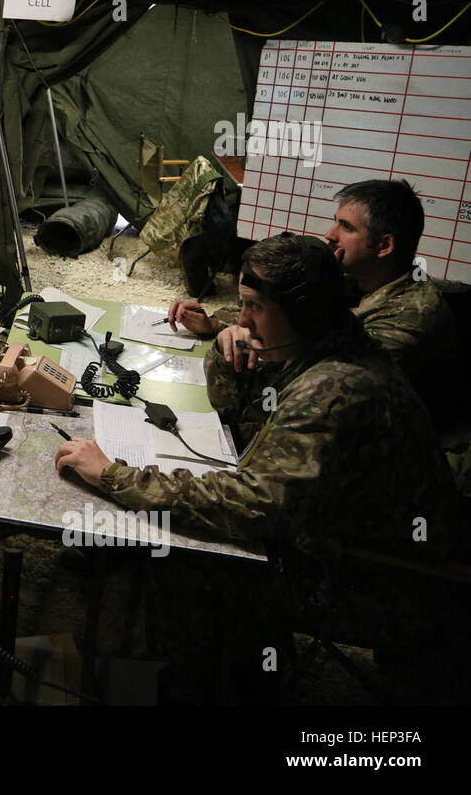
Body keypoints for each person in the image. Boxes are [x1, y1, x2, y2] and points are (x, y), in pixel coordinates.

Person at [57, 235, 460, 680]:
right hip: (351, 536)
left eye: (254, 306)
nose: (243, 318)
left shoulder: (334, 389)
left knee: (181, 550)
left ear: (303, 312)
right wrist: (228, 347)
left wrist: (116, 476)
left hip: (376, 577)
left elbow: (254, 506)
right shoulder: (326, 344)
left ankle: (226, 684)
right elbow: (236, 414)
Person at [167, 179, 457, 432]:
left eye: (346, 227)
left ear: (384, 246)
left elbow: (307, 370)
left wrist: (249, 339)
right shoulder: (355, 279)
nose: (331, 234)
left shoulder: (413, 316)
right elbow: (289, 308)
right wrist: (219, 323)